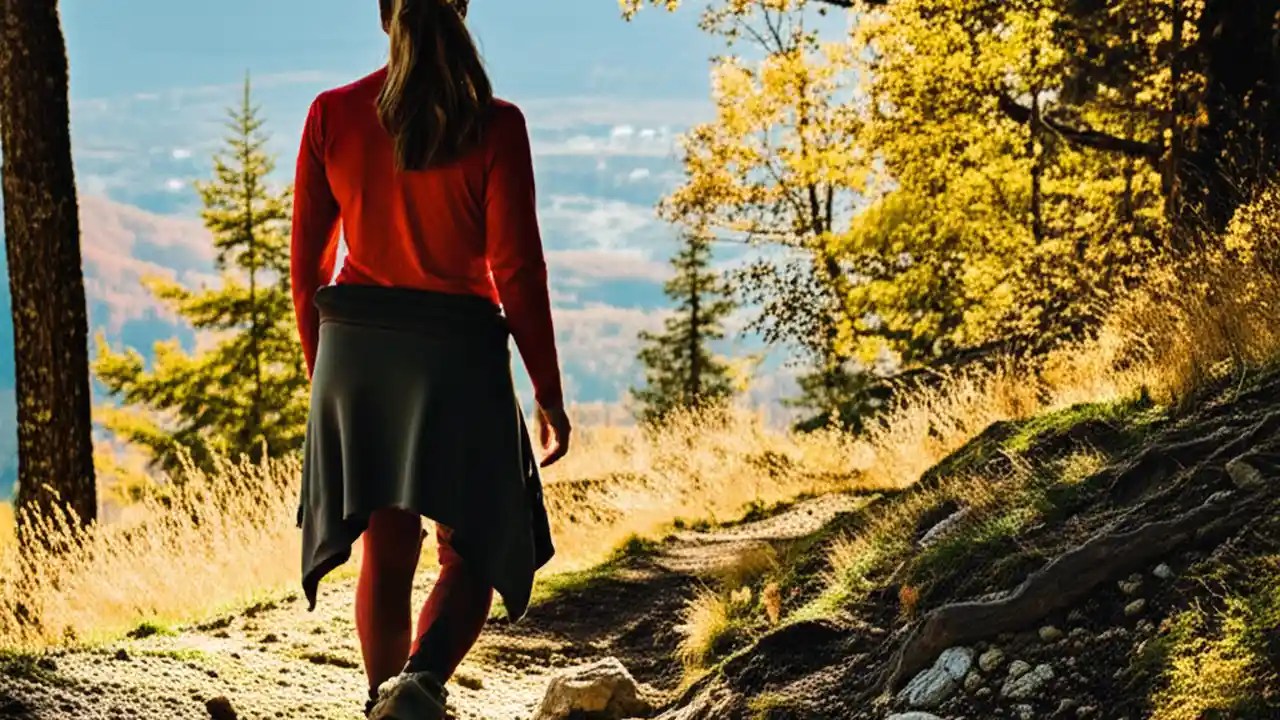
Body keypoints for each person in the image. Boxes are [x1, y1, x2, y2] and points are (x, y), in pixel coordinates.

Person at [289, 0, 571, 717]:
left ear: (385, 17)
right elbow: (517, 269)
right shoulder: (496, 125)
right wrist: (547, 387)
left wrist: (323, 368)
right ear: (464, 10)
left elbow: (308, 267)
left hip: (356, 353)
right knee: (475, 538)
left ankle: (381, 700)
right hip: (455, 352)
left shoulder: (331, 114)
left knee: (388, 542)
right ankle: (417, 686)